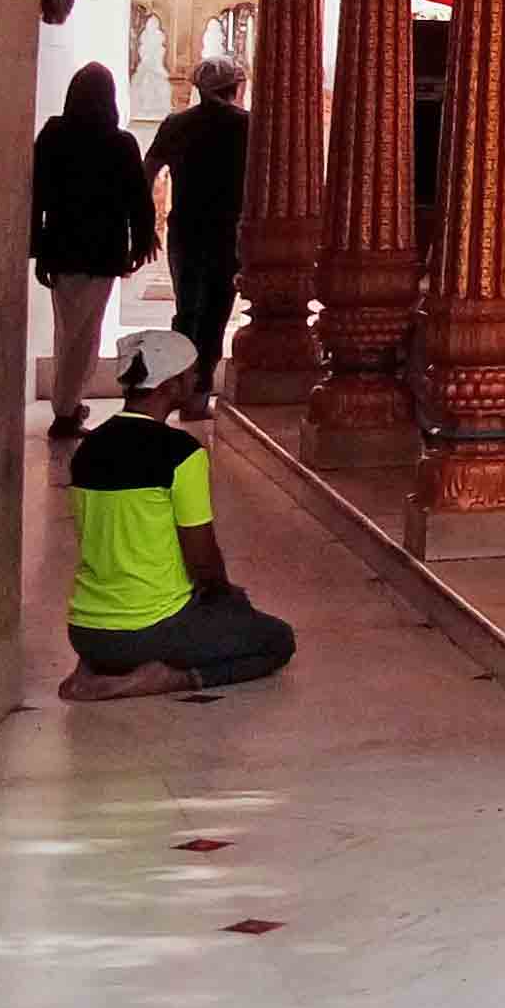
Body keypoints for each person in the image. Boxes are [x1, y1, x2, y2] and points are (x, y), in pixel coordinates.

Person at [58, 334, 297, 701]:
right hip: (148, 628)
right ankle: (161, 679)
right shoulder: (181, 453)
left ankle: (97, 668)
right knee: (277, 640)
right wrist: (224, 595)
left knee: (227, 611)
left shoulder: (88, 448)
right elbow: (201, 557)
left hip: (87, 632)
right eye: (190, 373)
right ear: (170, 386)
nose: (196, 378)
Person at [31, 63, 157, 441]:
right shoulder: (120, 143)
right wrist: (141, 242)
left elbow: (36, 194)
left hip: (63, 250)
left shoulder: (54, 135)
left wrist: (38, 250)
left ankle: (67, 405)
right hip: (101, 253)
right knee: (85, 334)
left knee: (68, 332)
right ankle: (67, 410)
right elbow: (139, 199)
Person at [145, 54, 251, 414]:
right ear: (234, 88)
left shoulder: (177, 124)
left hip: (186, 229)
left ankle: (177, 389)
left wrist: (146, 222)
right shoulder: (245, 125)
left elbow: (149, 170)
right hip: (227, 231)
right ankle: (199, 391)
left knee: (186, 311)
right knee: (216, 314)